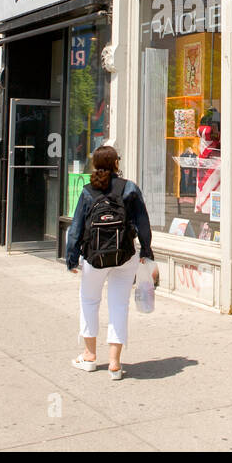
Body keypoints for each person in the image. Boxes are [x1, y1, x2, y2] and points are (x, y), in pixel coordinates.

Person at [65, 145, 155, 380]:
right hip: (125, 255)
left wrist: (71, 258)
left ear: (95, 164)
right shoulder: (129, 188)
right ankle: (115, 363)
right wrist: (146, 249)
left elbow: (76, 228)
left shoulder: (87, 191)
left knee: (89, 301)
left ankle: (89, 355)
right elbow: (143, 222)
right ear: (117, 163)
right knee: (119, 305)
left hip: (94, 257)